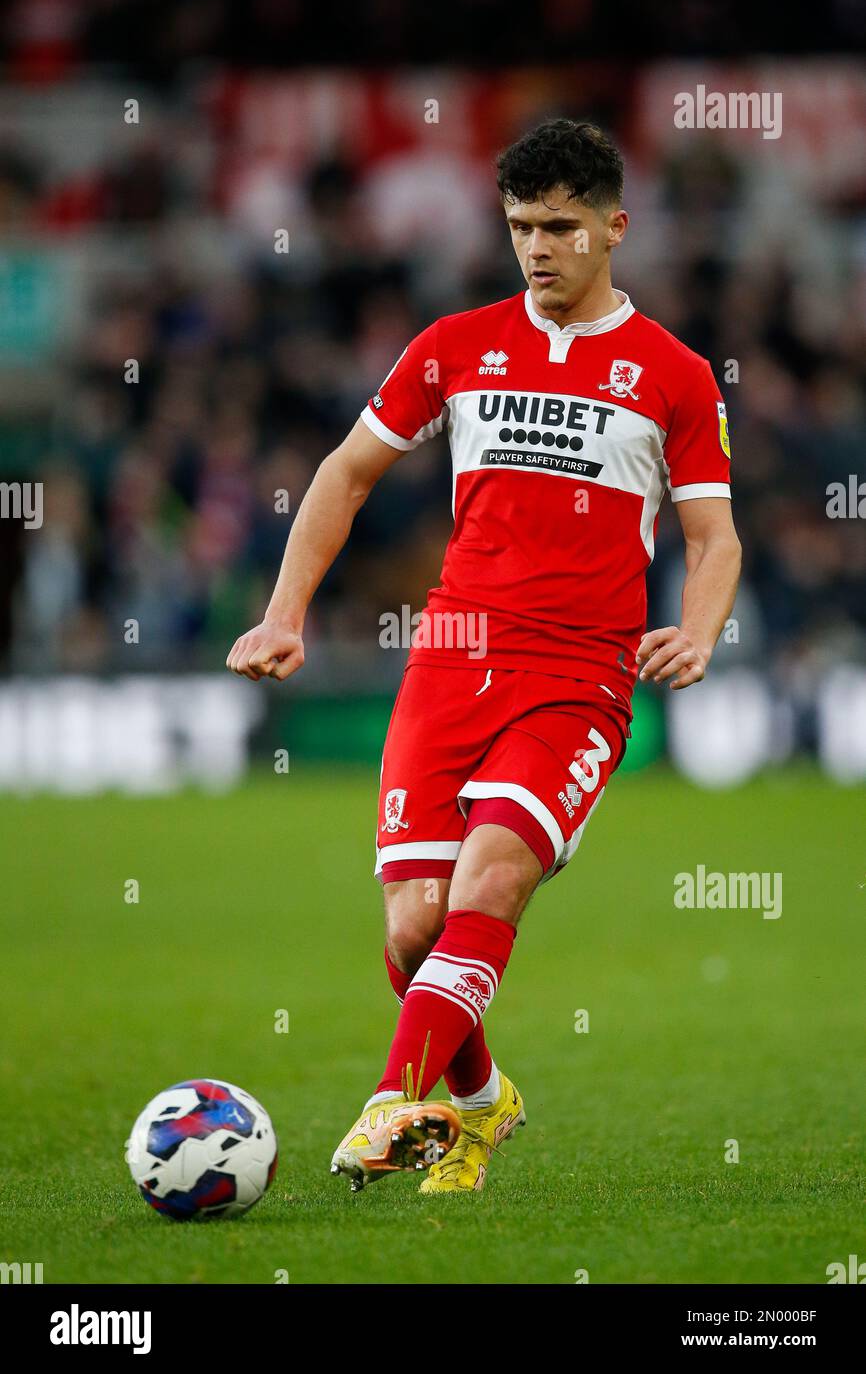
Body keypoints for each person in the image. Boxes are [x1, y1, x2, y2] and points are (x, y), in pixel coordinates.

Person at [226, 119, 741, 1195]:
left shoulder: (675, 376)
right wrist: (284, 612)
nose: (537, 248)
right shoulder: (453, 344)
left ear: (614, 225)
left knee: (491, 875)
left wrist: (695, 629)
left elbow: (711, 534)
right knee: (414, 933)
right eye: (519, 227)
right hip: (449, 658)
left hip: (577, 678)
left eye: (559, 226)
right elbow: (345, 471)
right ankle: (477, 1101)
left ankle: (390, 1101)